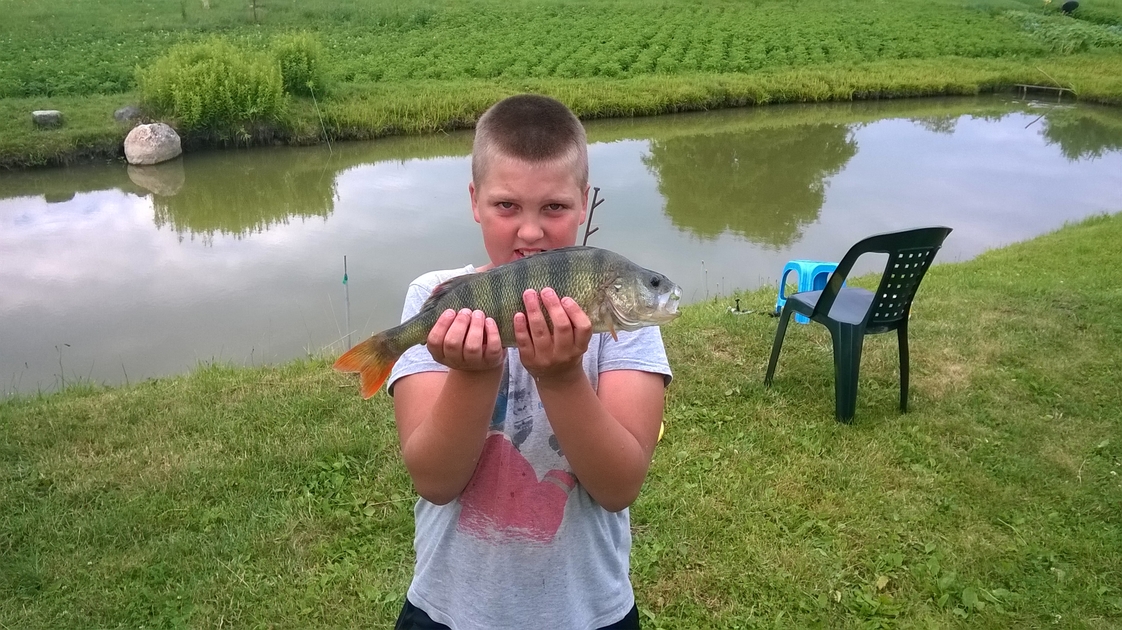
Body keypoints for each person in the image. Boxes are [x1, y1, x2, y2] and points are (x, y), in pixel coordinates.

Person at [387, 94, 672, 630]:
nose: (531, 232)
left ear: (584, 202)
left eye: (555, 208)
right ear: (475, 201)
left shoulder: (622, 329)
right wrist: (473, 375)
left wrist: (562, 377)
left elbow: (618, 488)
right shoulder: (434, 297)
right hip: (449, 610)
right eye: (506, 206)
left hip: (587, 612)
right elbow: (433, 480)